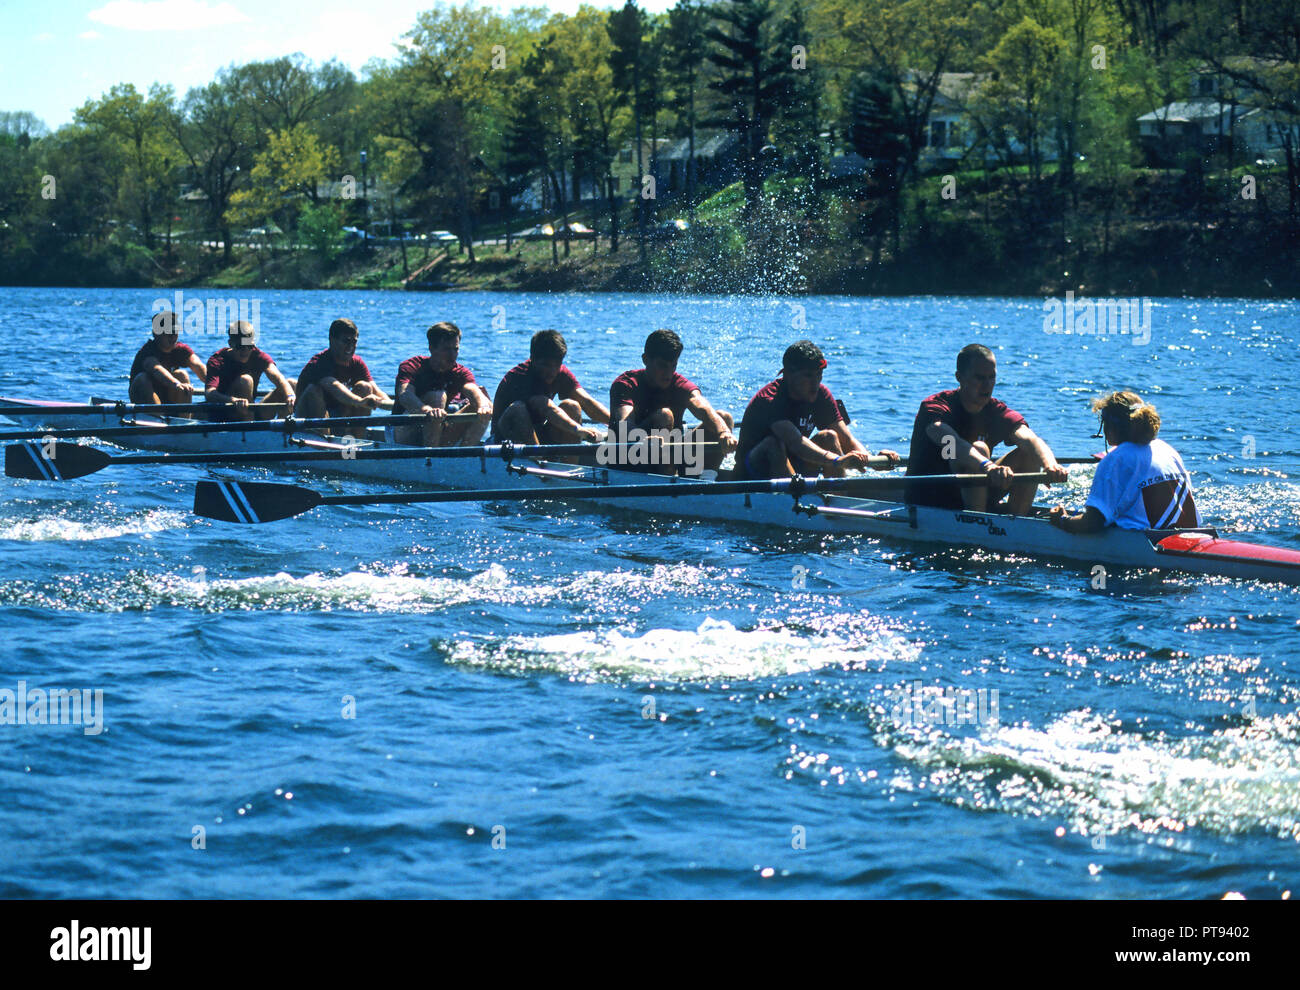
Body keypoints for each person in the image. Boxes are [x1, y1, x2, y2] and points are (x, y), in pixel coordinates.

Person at [905, 343, 1067, 513]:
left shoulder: (996, 410)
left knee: (1029, 453)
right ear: (959, 377)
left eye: (991, 377)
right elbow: (952, 443)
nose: (987, 384)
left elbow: (1029, 439)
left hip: (972, 494)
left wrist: (1051, 465)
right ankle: (979, 523)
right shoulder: (935, 407)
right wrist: (988, 466)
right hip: (927, 497)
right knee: (979, 448)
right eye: (979, 378)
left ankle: (1016, 521)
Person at [734, 339, 899, 479]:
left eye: (819, 375)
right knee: (773, 443)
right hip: (752, 471)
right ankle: (796, 499)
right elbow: (796, 442)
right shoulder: (770, 399)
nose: (815, 383)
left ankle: (837, 500)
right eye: (808, 376)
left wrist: (872, 461)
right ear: (789, 374)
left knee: (829, 437)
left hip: (795, 464)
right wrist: (836, 461)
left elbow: (847, 440)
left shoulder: (821, 394)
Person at [1049, 391, 1200, 533]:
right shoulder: (1166, 449)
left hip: (1148, 544)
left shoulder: (1115, 460)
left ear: (1110, 426)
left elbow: (1092, 523)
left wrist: (1063, 520)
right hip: (1192, 535)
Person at [608, 329, 738, 472]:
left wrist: (723, 432)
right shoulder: (625, 384)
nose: (669, 373)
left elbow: (701, 406)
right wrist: (642, 439)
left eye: (673, 366)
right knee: (665, 416)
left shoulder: (678, 383)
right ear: (645, 360)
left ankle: (705, 481)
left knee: (723, 418)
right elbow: (625, 424)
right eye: (662, 366)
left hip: (668, 453)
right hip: (628, 458)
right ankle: (667, 482)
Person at [492, 329, 610, 444]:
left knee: (572, 406)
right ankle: (538, 459)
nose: (552, 371)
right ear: (532, 358)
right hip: (504, 437)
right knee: (518, 409)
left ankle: (569, 463)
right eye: (546, 365)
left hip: (538, 432)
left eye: (556, 365)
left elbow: (586, 401)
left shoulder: (561, 373)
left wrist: (620, 425)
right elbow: (547, 408)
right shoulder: (520, 376)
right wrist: (579, 430)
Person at [392, 321, 492, 446]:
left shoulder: (460, 372)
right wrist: (426, 410)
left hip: (434, 426)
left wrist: (483, 406)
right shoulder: (412, 366)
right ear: (432, 348)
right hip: (402, 429)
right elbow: (405, 396)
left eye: (455, 349)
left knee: (484, 401)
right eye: (446, 349)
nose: (452, 355)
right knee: (436, 397)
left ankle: (464, 455)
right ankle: (431, 456)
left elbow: (473, 389)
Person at [296, 318, 390, 437]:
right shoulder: (319, 363)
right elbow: (334, 385)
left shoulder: (356, 363)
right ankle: (321, 444)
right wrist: (360, 402)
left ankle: (357, 442)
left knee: (365, 387)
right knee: (314, 390)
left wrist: (399, 406)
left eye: (354, 342)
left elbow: (377, 391)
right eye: (346, 341)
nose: (351, 346)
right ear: (332, 340)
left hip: (337, 416)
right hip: (307, 419)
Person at [204, 321, 296, 422]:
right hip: (226, 413)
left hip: (249, 409)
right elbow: (209, 393)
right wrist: (233, 400)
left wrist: (290, 395)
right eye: (241, 346)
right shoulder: (217, 360)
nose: (246, 350)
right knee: (245, 381)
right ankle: (251, 429)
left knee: (291, 385)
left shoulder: (258, 355)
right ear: (230, 344)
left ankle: (283, 432)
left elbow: (277, 376)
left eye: (250, 346)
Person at [129, 310, 207, 407]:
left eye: (175, 331)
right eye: (168, 332)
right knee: (142, 379)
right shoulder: (147, 351)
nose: (173, 336)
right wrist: (177, 384)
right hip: (144, 400)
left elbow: (198, 366)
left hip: (168, 399)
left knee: (182, 375)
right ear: (155, 333)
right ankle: (156, 415)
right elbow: (156, 369)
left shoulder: (181, 350)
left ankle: (184, 420)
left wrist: (216, 387)